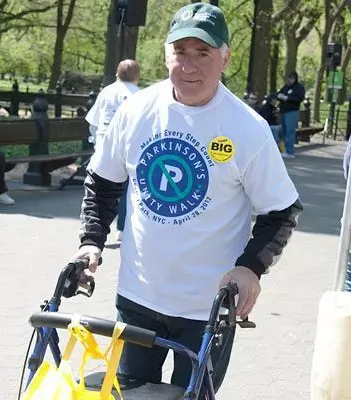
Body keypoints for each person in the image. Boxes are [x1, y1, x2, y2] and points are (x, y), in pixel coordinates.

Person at [74, 2, 303, 394]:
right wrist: (91, 241)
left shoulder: (247, 129)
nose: (189, 65)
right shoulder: (136, 111)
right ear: (166, 54)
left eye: (203, 53)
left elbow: (281, 211)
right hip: (138, 297)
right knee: (128, 394)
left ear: (225, 58)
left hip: (208, 310)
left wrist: (250, 268)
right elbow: (102, 181)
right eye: (180, 52)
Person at [85, 59, 140, 241]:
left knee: (98, 191)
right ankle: (122, 228)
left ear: (117, 73)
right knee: (125, 191)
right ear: (136, 76)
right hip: (128, 149)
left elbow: (93, 120)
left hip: (103, 148)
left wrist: (95, 141)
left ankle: (94, 231)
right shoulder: (140, 95)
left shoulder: (107, 92)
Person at [277, 71, 305, 159]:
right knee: (284, 131)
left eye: (291, 78)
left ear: (294, 78)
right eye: (288, 78)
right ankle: (284, 150)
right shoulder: (286, 87)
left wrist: (287, 98)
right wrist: (280, 96)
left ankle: (290, 151)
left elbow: (299, 98)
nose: (289, 80)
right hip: (283, 111)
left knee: (290, 131)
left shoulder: (299, 87)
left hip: (292, 111)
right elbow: (279, 93)